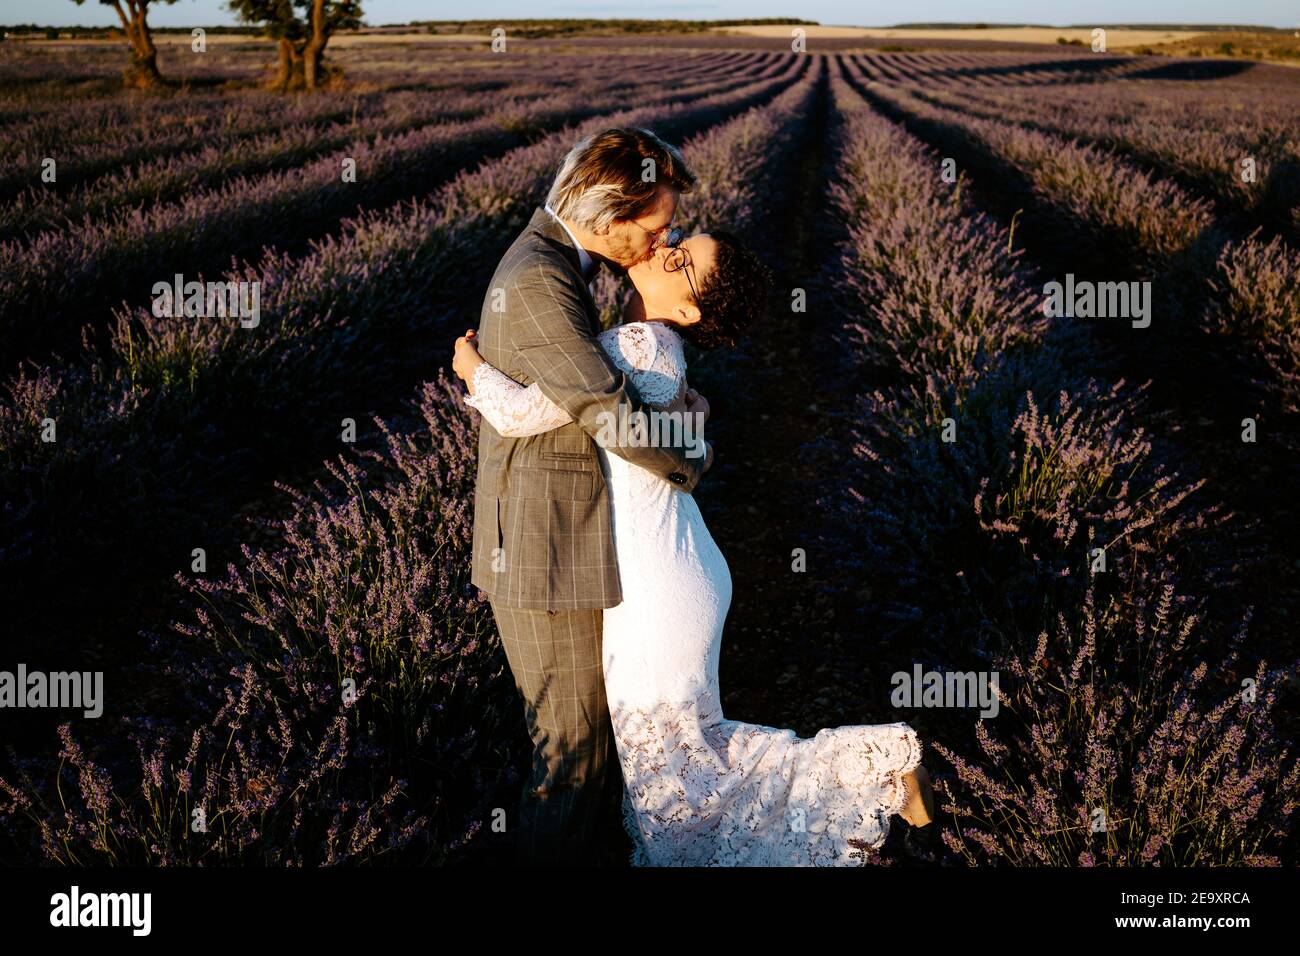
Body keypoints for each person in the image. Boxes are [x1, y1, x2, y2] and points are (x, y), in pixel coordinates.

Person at [455, 216, 935, 866]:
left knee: (671, 777)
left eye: (682, 260)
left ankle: (871, 767)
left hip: (656, 588)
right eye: (678, 243)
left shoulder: (635, 344)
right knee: (684, 760)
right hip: (674, 572)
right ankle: (863, 774)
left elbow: (523, 413)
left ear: (686, 307)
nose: (665, 249)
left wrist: (471, 367)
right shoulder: (654, 349)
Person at [467, 127, 712, 866]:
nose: (667, 238)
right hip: (544, 556)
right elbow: (603, 409)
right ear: (609, 215)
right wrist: (694, 456)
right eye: (658, 225)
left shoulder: (560, 264)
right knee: (571, 762)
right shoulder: (540, 278)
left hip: (563, 542)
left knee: (583, 754)